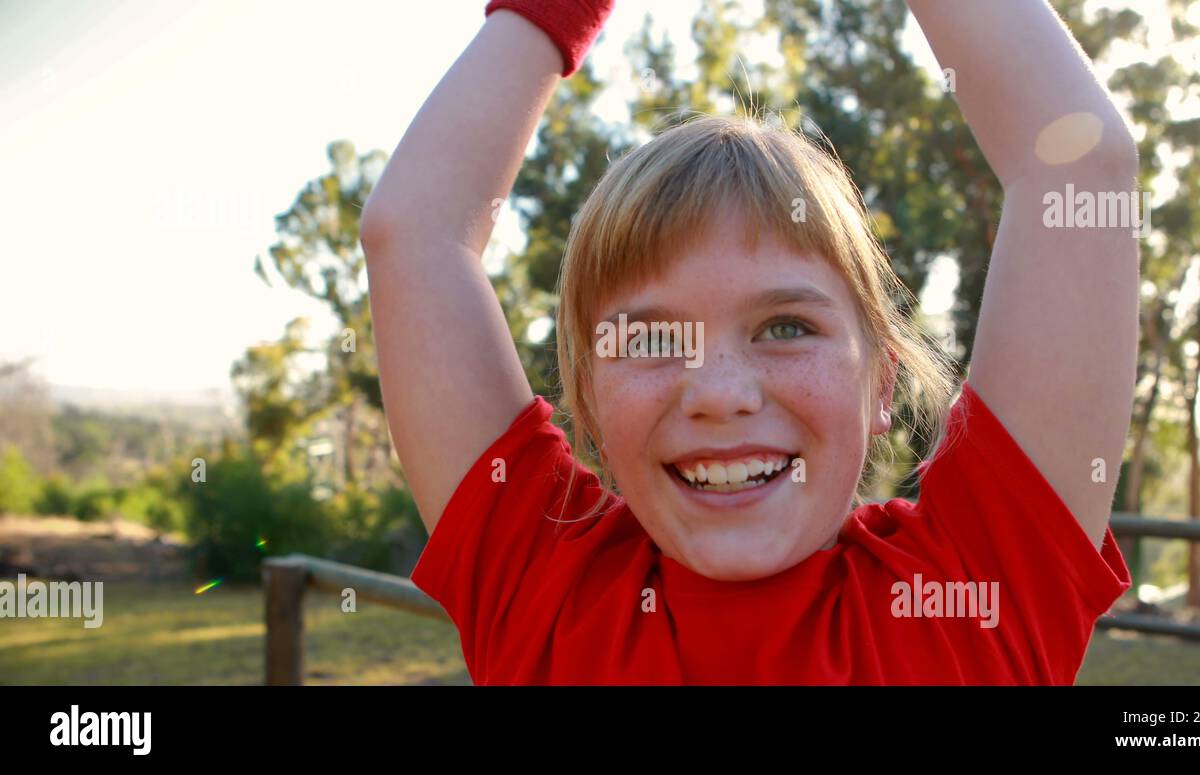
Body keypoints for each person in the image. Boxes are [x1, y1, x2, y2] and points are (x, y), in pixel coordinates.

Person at [359, 0, 1136, 684]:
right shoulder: (546, 591)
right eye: (655, 337)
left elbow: (1079, 165)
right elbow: (415, 233)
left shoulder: (976, 598)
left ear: (881, 385)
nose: (721, 392)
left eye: (787, 327)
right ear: (589, 399)